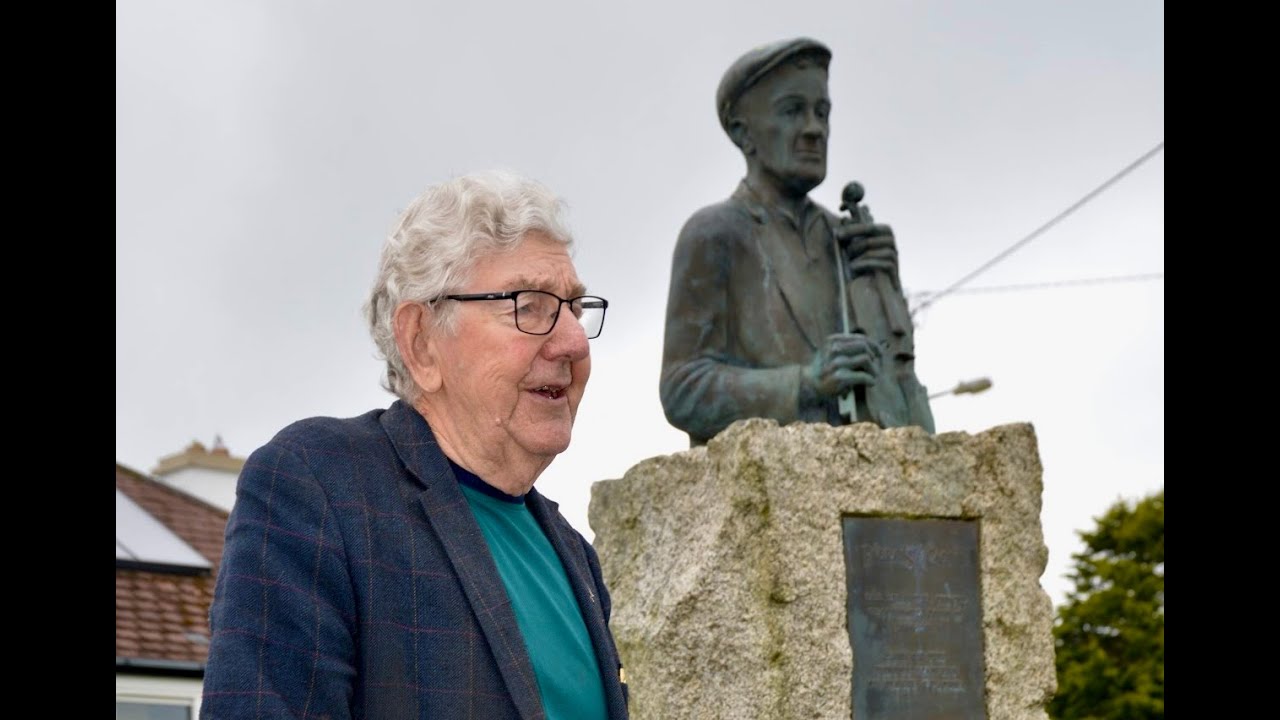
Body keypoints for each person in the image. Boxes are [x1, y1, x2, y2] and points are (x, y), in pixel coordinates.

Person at [201, 170, 629, 719]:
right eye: (531, 305)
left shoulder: (574, 555)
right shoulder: (319, 486)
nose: (571, 340)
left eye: (573, 307)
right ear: (422, 343)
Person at [659, 37, 936, 446]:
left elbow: (906, 419)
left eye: (821, 112)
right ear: (743, 132)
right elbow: (683, 391)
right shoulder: (714, 233)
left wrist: (887, 299)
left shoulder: (848, 239)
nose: (813, 129)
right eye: (792, 112)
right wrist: (805, 382)